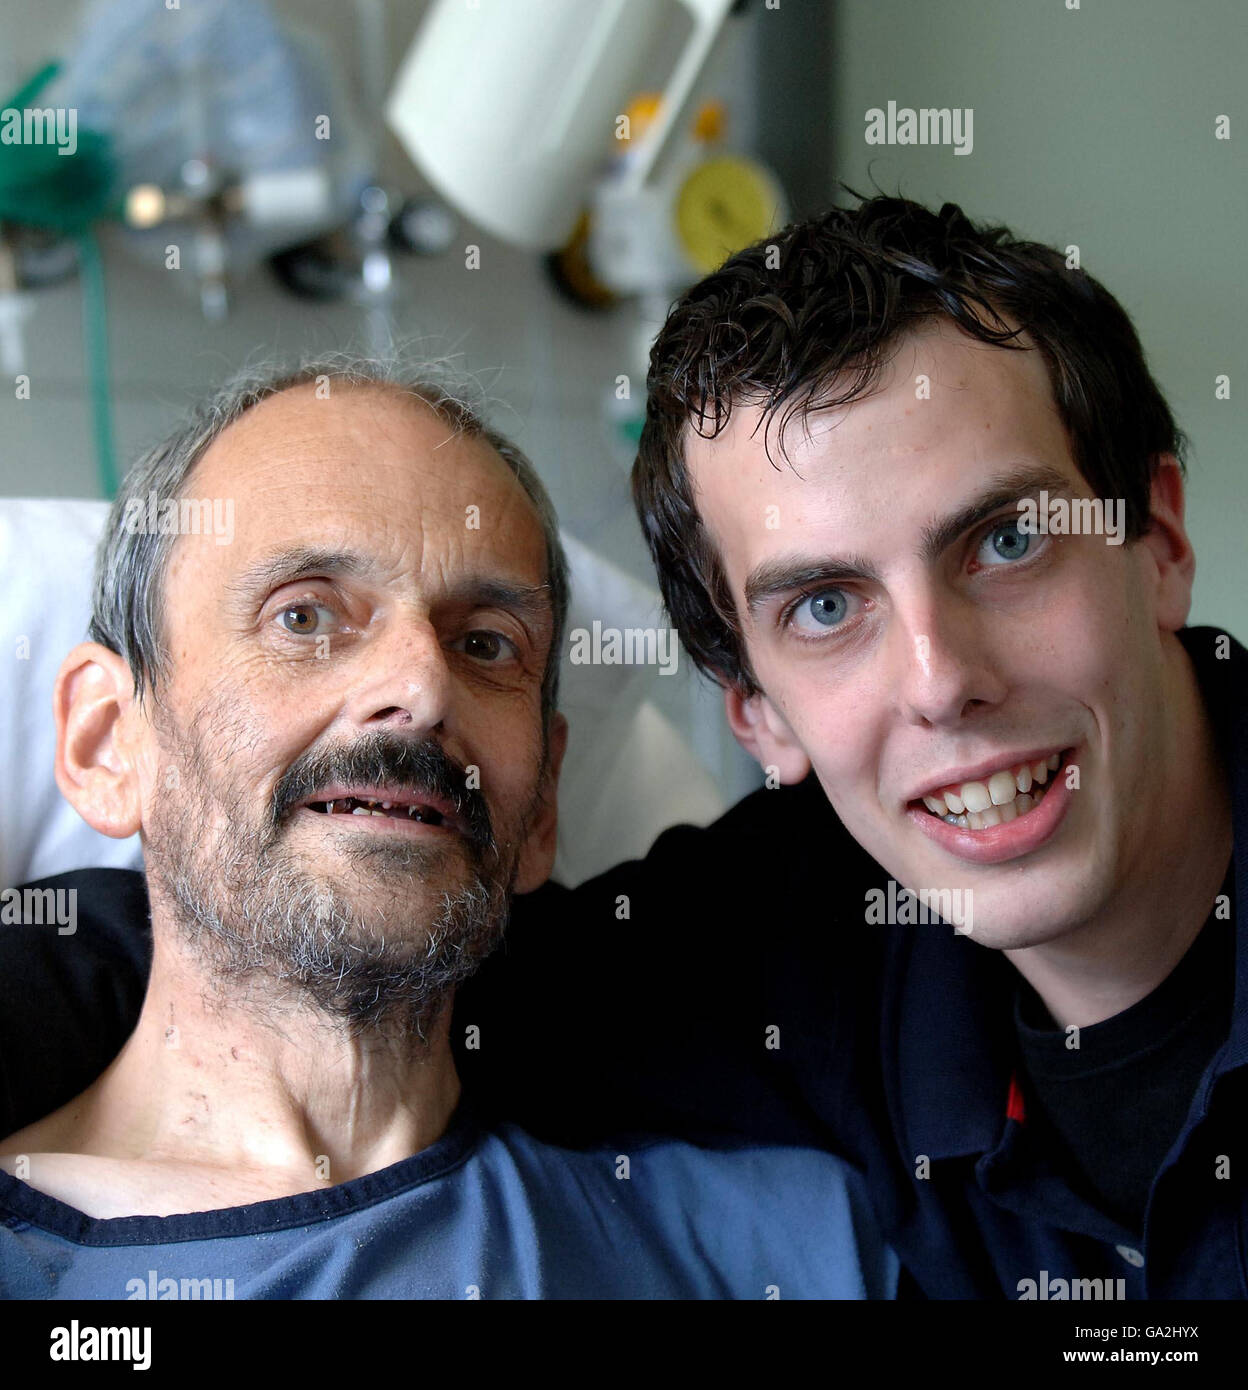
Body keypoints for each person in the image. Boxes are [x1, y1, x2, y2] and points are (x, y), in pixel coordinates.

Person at [4, 195, 1243, 1300]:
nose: (942, 679)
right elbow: (306, 937)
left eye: (1007, 541)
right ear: (752, 709)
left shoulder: (788, 1229)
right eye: (305, 617)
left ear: (1161, 544)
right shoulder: (766, 945)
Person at [0, 356, 896, 1300]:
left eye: (485, 645)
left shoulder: (787, 1250)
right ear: (107, 743)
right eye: (304, 616)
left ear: (543, 800)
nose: (424, 689)